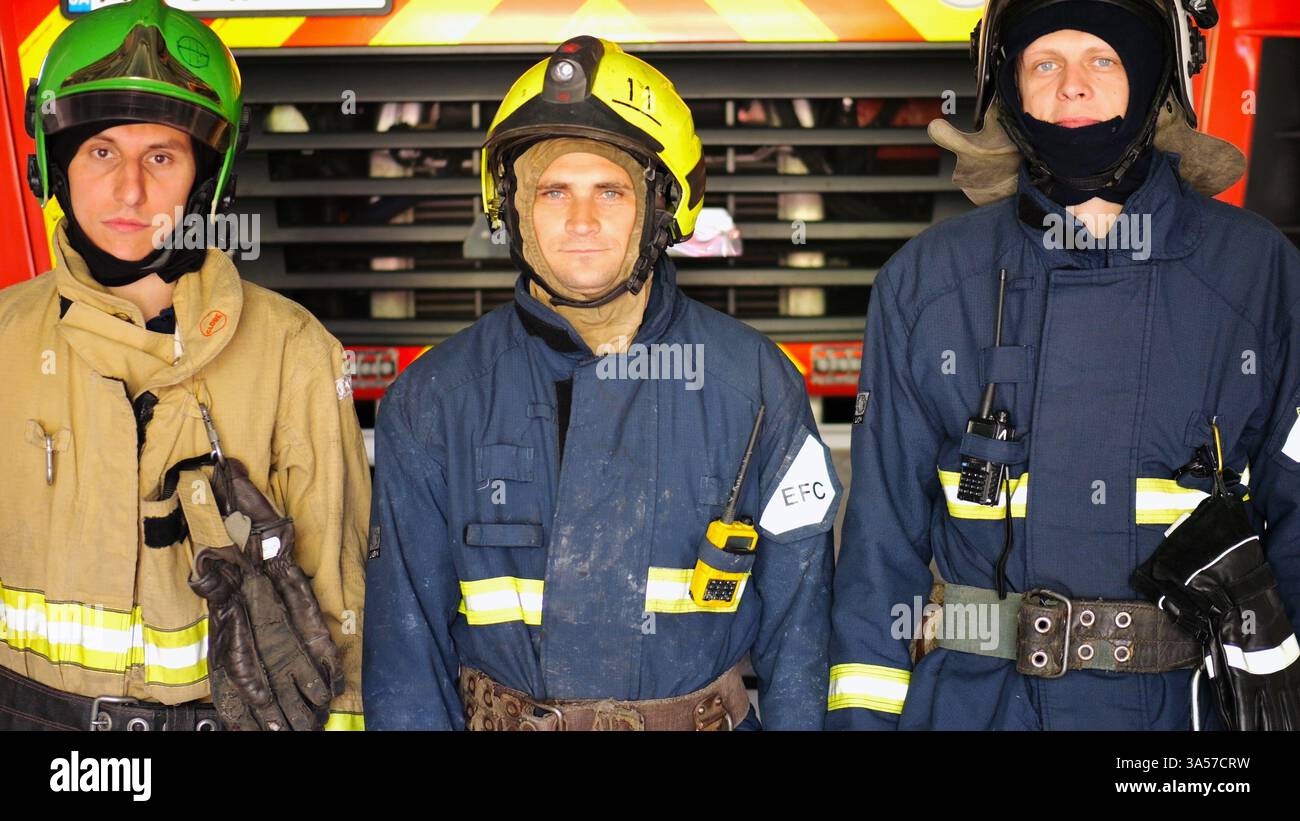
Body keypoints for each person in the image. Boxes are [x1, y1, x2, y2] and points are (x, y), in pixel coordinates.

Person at [828, 0, 1300, 730]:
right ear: (1008, 88)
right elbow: (877, 552)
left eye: (1103, 60)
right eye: (1044, 62)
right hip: (977, 706)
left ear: (1154, 79)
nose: (1072, 86)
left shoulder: (1259, 274)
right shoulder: (925, 283)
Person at [363, 36, 838, 731]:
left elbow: (803, 642)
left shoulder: (757, 385)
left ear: (663, 207)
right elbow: (406, 664)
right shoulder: (434, 400)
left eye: (610, 191)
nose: (580, 222)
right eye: (554, 190)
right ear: (512, 207)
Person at [0, 0, 369, 731]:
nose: (130, 190)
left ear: (208, 177)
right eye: (102, 151)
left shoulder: (295, 351)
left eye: (160, 157)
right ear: (56, 165)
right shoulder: (6, 337)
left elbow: (342, 601)